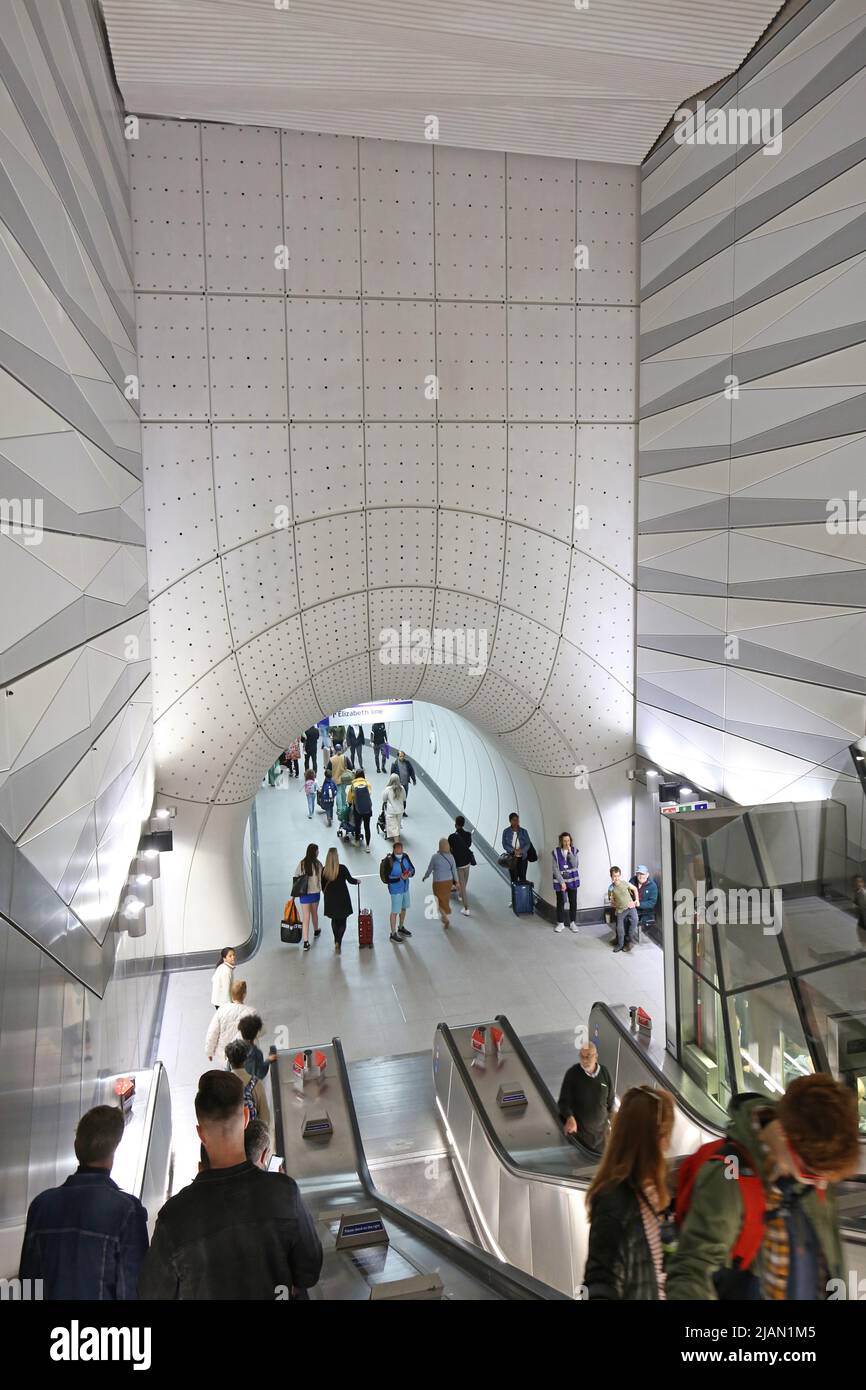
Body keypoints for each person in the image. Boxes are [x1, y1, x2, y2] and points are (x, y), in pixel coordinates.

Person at [667, 1074, 859, 1301]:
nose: (821, 1183)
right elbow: (692, 1270)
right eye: (810, 1173)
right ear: (782, 1134)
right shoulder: (729, 1176)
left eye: (828, 1177)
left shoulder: (814, 1161)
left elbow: (830, 1261)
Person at [138, 1072, 322, 1300]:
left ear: (201, 1133)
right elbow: (309, 1272)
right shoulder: (284, 1193)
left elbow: (151, 1294)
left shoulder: (173, 1219)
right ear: (246, 1117)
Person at [19, 1105, 149, 1300]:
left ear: (76, 1147)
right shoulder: (127, 1211)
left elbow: (27, 1289)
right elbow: (134, 1291)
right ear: (112, 1153)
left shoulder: (41, 1206)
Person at [584, 1086, 675, 1301]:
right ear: (652, 1140)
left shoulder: (646, 1195)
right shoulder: (614, 1202)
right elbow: (600, 1287)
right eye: (666, 1135)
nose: (668, 1145)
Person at [558, 1042, 614, 1153]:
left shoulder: (605, 1073)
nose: (584, 1060)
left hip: (601, 1137)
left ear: (596, 1057)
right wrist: (570, 1118)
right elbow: (563, 1102)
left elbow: (610, 1102)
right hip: (580, 1137)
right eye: (581, 1056)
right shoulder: (573, 1074)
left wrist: (613, 1122)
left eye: (588, 1056)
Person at [226, 1038, 271, 1134]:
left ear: (229, 1061)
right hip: (251, 1137)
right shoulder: (255, 1084)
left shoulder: (222, 1084)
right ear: (245, 1060)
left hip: (231, 1137)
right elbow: (265, 1118)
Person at [206, 979, 254, 1067]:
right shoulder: (250, 1012)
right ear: (244, 994)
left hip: (224, 1056)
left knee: (229, 1076)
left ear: (231, 994)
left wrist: (209, 1051)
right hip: (244, 1056)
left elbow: (212, 1032)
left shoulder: (222, 1009)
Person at [321, 846, 360, 953]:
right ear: (337, 857)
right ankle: (339, 940)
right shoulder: (342, 868)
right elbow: (351, 880)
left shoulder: (324, 870)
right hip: (342, 898)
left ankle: (336, 940)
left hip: (330, 900)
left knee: (334, 920)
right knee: (343, 921)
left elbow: (322, 886)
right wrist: (357, 881)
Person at [423, 838, 459, 928]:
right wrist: (457, 882)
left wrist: (425, 876)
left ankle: (444, 917)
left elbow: (429, 869)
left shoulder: (435, 857)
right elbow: (454, 870)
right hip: (449, 882)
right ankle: (445, 914)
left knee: (437, 900)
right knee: (445, 899)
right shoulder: (451, 857)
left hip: (438, 882)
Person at [385, 840, 415, 942]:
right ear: (394, 850)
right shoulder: (389, 861)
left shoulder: (405, 857)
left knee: (403, 908)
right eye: (398, 849)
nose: (400, 851)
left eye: (401, 849)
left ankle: (401, 927)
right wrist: (400, 878)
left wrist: (409, 874)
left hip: (405, 888)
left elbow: (413, 869)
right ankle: (393, 933)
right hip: (396, 890)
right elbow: (387, 878)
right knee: (395, 911)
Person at [295, 843, 323, 950]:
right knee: (314, 913)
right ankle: (316, 930)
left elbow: (295, 876)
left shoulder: (302, 864)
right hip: (315, 893)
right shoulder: (318, 864)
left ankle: (305, 942)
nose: (318, 852)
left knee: (305, 917)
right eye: (317, 850)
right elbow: (321, 878)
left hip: (304, 894)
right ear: (314, 852)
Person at [552, 832, 580, 934]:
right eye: (564, 841)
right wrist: (562, 882)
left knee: (573, 902)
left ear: (570, 841)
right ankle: (560, 923)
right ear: (561, 841)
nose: (566, 842)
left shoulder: (574, 851)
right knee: (560, 902)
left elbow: (575, 864)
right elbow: (555, 868)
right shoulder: (556, 852)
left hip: (572, 880)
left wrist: (570, 853)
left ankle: (572, 922)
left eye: (568, 840)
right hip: (560, 881)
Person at [608, 866, 639, 953]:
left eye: (618, 876)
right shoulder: (611, 888)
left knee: (635, 920)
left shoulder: (625, 883)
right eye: (614, 876)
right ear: (611, 877)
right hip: (620, 910)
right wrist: (613, 903)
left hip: (630, 907)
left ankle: (628, 941)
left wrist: (636, 900)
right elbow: (611, 900)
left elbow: (635, 889)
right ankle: (620, 944)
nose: (616, 878)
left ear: (620, 875)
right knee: (620, 929)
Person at [448, 815, 475, 916]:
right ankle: (459, 894)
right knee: (465, 881)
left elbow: (449, 850)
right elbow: (468, 845)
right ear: (463, 824)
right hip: (467, 863)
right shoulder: (468, 835)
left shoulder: (452, 837)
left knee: (462, 886)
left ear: (456, 824)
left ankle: (466, 908)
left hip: (458, 864)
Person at [238, 1013, 277, 1081]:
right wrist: (268, 1060)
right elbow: (260, 1074)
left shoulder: (234, 1048)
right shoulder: (256, 1053)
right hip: (251, 1087)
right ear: (256, 1033)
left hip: (236, 1085)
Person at [501, 812, 531, 884]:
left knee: (522, 877)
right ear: (510, 821)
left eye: (517, 820)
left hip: (522, 857)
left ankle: (523, 894)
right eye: (514, 820)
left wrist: (521, 850)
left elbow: (528, 843)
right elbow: (504, 844)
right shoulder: (506, 831)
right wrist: (513, 850)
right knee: (513, 878)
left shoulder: (524, 831)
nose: (516, 822)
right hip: (511, 858)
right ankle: (515, 894)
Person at [348, 768, 374, 851]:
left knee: (357, 825)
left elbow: (350, 797)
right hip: (367, 808)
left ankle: (357, 841)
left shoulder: (353, 784)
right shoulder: (367, 783)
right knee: (367, 826)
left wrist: (350, 803)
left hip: (357, 808)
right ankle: (367, 846)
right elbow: (369, 793)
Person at [382, 772, 406, 840]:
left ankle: (396, 842)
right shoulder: (402, 788)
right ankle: (397, 837)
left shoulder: (388, 789)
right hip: (400, 810)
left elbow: (384, 799)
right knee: (398, 825)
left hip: (391, 811)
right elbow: (404, 798)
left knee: (392, 827)